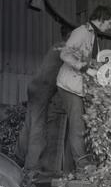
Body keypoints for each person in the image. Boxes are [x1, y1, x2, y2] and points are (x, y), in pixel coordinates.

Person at [56, 5, 111, 170]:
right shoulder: (81, 32)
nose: (110, 26)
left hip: (78, 86)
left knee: (78, 126)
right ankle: (83, 166)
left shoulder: (92, 34)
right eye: (109, 22)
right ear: (102, 19)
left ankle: (70, 167)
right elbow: (64, 54)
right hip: (69, 86)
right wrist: (84, 68)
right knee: (78, 127)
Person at [15, 25, 72, 174]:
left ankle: (19, 157)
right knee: (38, 126)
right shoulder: (66, 48)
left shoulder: (56, 46)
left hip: (34, 87)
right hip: (43, 90)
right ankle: (31, 166)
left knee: (30, 122)